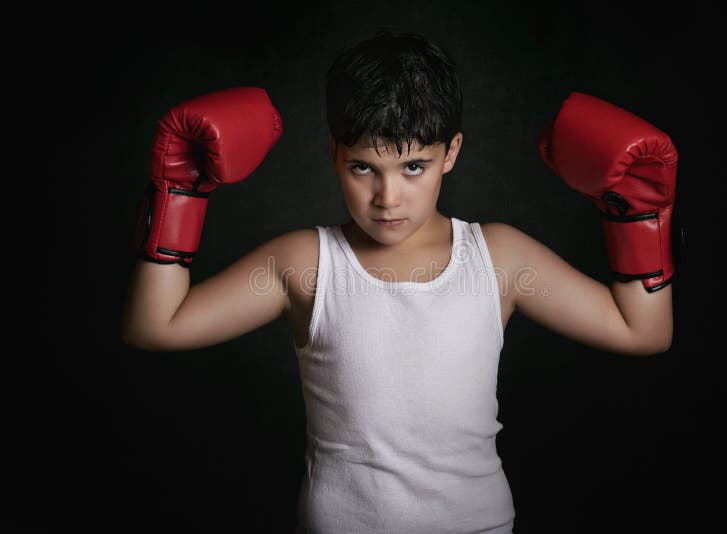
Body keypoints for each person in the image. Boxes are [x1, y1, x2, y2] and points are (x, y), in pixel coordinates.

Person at [121, 30, 676, 534]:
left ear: (450, 153)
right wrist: (181, 195)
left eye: (414, 166)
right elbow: (155, 327)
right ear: (334, 153)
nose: (388, 198)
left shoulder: (499, 258)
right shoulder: (306, 263)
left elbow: (641, 331)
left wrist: (634, 214)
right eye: (364, 167)